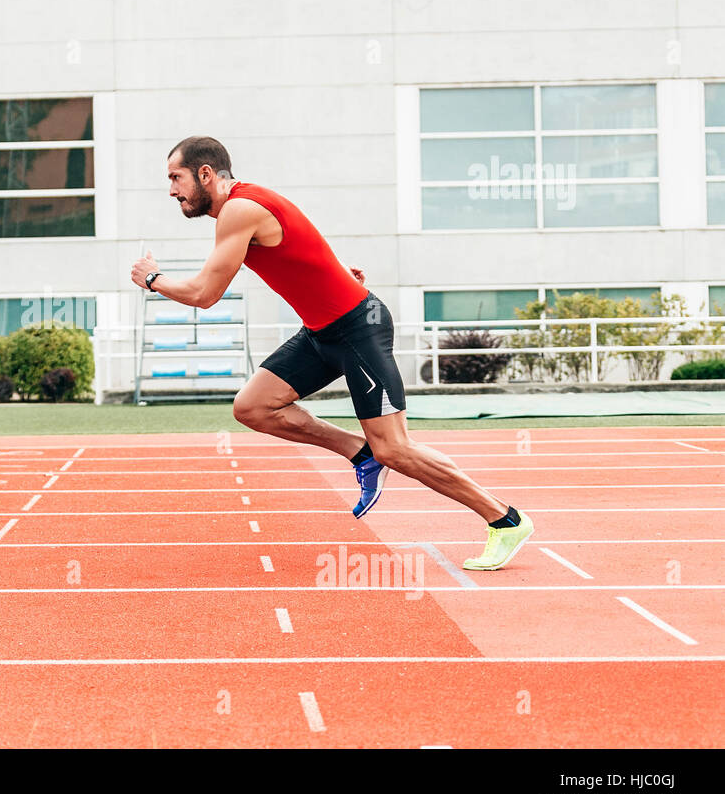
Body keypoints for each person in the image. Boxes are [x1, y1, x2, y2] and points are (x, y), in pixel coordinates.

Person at [130, 136, 534, 571]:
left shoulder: (239, 209)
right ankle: (359, 455)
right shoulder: (248, 204)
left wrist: (153, 279)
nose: (172, 190)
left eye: (176, 178)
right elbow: (298, 238)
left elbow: (205, 294)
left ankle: (504, 518)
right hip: (323, 331)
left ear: (205, 174)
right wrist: (339, 270)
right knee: (253, 407)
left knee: (395, 449)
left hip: (358, 329)